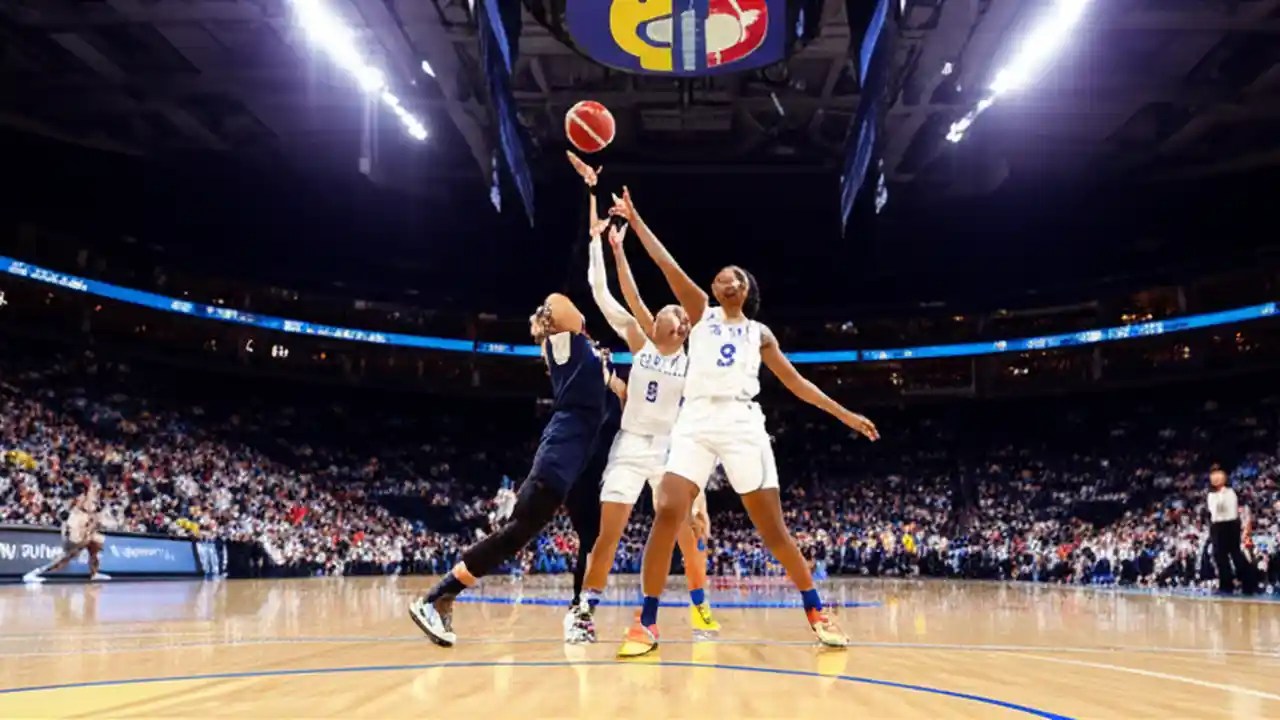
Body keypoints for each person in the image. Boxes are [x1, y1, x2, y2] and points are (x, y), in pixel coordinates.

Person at [606, 186, 879, 658]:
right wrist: (635, 218)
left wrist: (845, 415)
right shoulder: (700, 314)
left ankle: (816, 611)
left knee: (773, 531)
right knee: (669, 510)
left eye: (733, 277)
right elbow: (667, 265)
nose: (723, 280)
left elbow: (796, 384)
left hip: (741, 420)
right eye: (720, 277)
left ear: (745, 289)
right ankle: (646, 623)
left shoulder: (759, 333)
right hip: (694, 419)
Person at [564, 154, 720, 642]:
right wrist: (611, 247)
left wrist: (704, 487)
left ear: (684, 327)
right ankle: (584, 612)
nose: (665, 313)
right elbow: (614, 292)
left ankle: (699, 608)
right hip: (632, 445)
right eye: (663, 310)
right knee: (608, 533)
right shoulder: (640, 338)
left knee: (689, 531)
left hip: (671, 451)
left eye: (673, 312)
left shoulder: (692, 363)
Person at [409, 293, 609, 647]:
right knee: (515, 533)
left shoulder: (586, 356)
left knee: (590, 536)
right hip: (559, 455)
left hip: (575, 462)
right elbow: (558, 302)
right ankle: (436, 598)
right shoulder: (566, 344)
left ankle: (578, 614)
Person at [24, 483, 111, 583]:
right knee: (67, 556)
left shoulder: (95, 502)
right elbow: (80, 511)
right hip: (75, 529)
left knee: (94, 547)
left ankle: (94, 574)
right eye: (95, 488)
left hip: (85, 528)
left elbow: (94, 516)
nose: (97, 490)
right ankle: (35, 573)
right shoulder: (82, 499)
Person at [1207, 465, 1257, 595]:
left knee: (1233, 554)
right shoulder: (1212, 494)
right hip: (1218, 525)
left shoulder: (1229, 492)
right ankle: (1227, 584)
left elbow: (1224, 510)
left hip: (1228, 524)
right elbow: (1213, 512)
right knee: (1221, 556)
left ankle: (1247, 581)